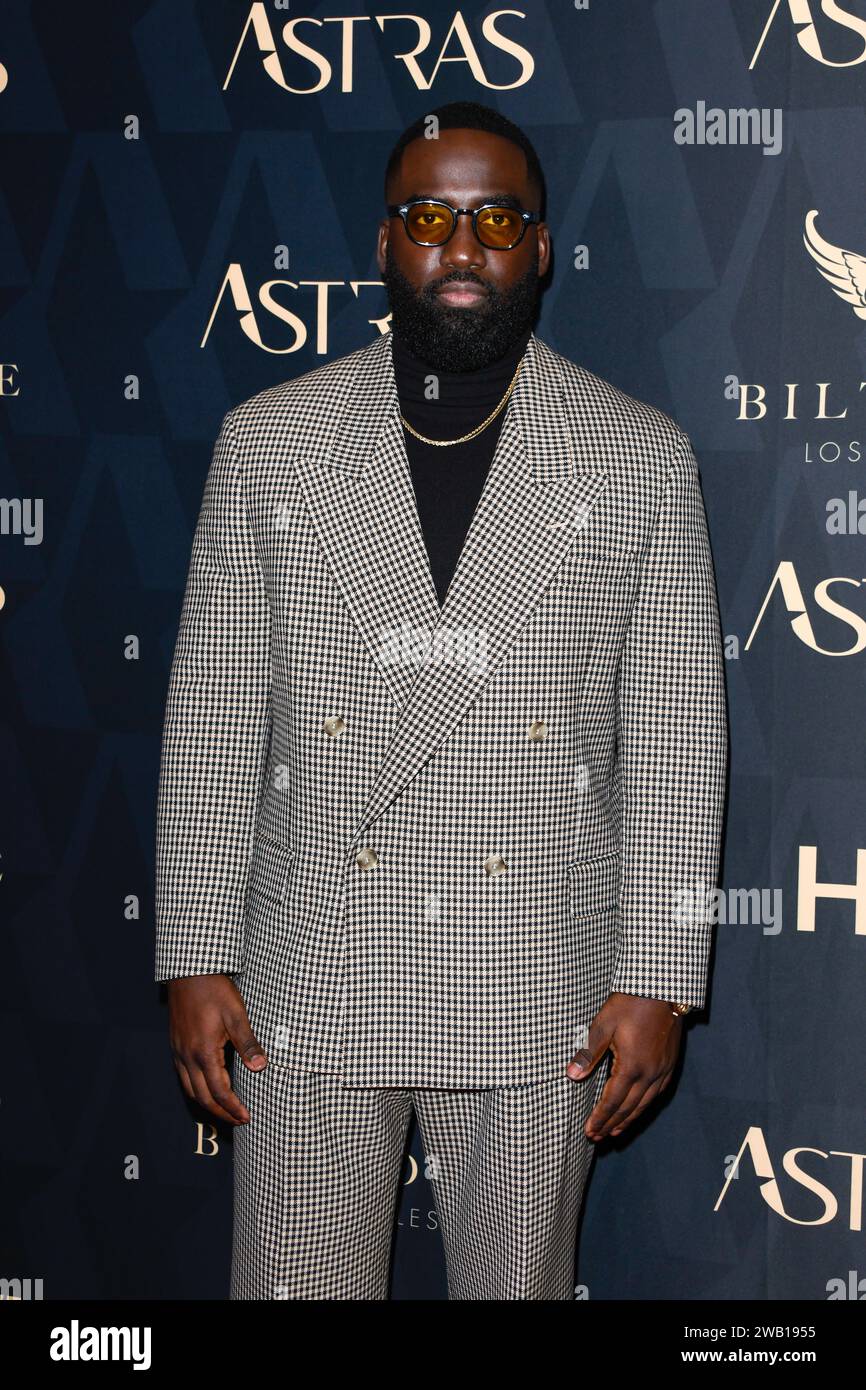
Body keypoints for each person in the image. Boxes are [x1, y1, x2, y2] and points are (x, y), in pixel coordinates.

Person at [154, 100, 728, 1301]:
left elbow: (676, 742)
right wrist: (194, 954)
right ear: (382, 246)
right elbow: (212, 719)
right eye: (427, 217)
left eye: (492, 220)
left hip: (538, 986)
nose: (458, 248)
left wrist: (662, 973)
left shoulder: (636, 457)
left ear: (540, 247)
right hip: (306, 969)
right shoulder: (269, 443)